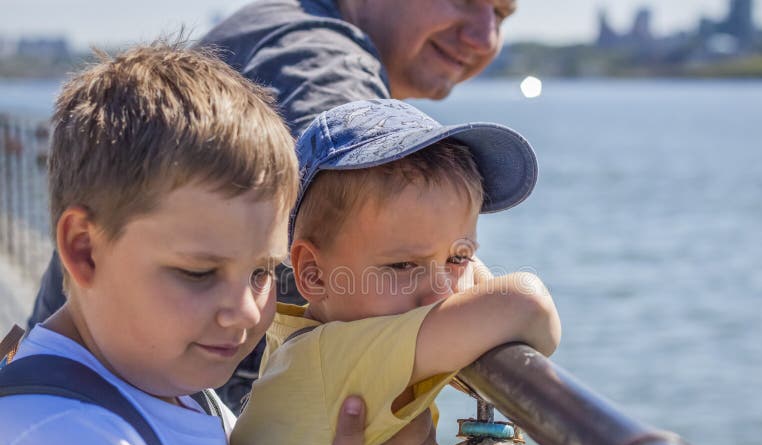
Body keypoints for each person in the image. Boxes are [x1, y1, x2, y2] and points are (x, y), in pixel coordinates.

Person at [0, 44, 446, 445]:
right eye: (198, 273)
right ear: (86, 250)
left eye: (261, 273)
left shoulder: (179, 392)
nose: (246, 313)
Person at [27, 0, 519, 410]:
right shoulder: (320, 60)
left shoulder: (273, 27)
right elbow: (367, 203)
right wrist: (471, 300)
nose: (482, 35)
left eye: (501, 13)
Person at [232, 99, 562, 445]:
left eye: (457, 258)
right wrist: (460, 264)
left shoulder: (299, 335)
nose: (439, 291)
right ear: (313, 273)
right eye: (403, 266)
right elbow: (529, 305)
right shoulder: (347, 355)